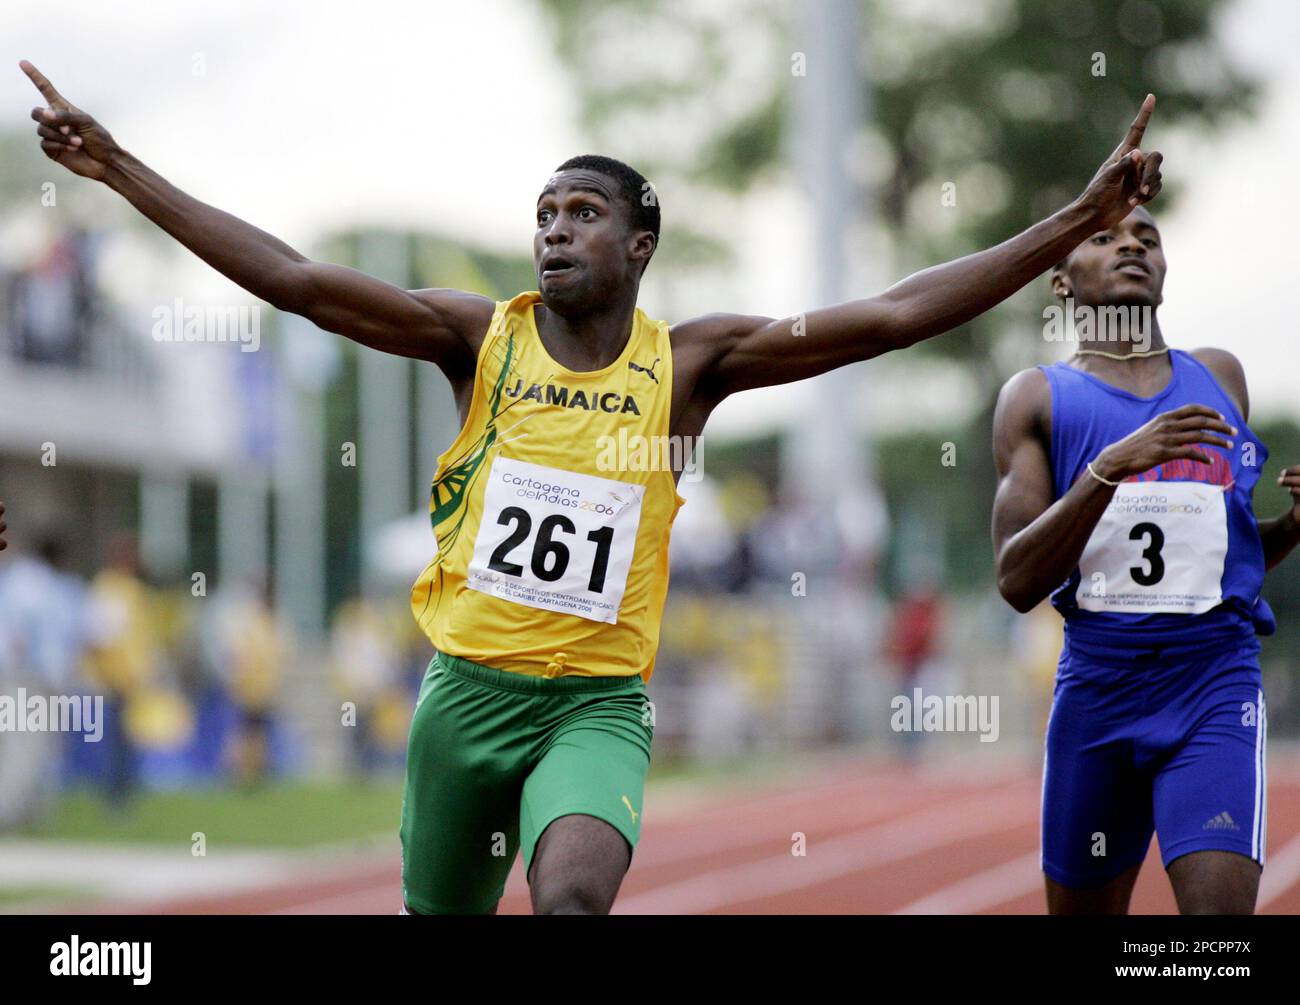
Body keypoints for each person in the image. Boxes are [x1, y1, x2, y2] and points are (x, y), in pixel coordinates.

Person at [22, 58, 1164, 915]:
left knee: (571, 900)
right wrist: (116, 165)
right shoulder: (477, 340)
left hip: (595, 706)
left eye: (583, 215)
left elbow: (896, 313)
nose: (553, 233)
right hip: (463, 700)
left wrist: (1074, 219)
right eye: (544, 216)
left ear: (639, 247)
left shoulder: (693, 365)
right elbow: (296, 280)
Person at [991, 204, 1300, 914]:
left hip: (1213, 686)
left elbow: (1226, 562)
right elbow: (1016, 578)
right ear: (1061, 282)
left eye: (1147, 238)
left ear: (1163, 269)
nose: (1131, 245)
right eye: (1104, 238)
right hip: (1098, 694)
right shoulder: (1037, 397)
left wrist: (1293, 525)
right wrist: (1108, 469)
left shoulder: (1221, 379)